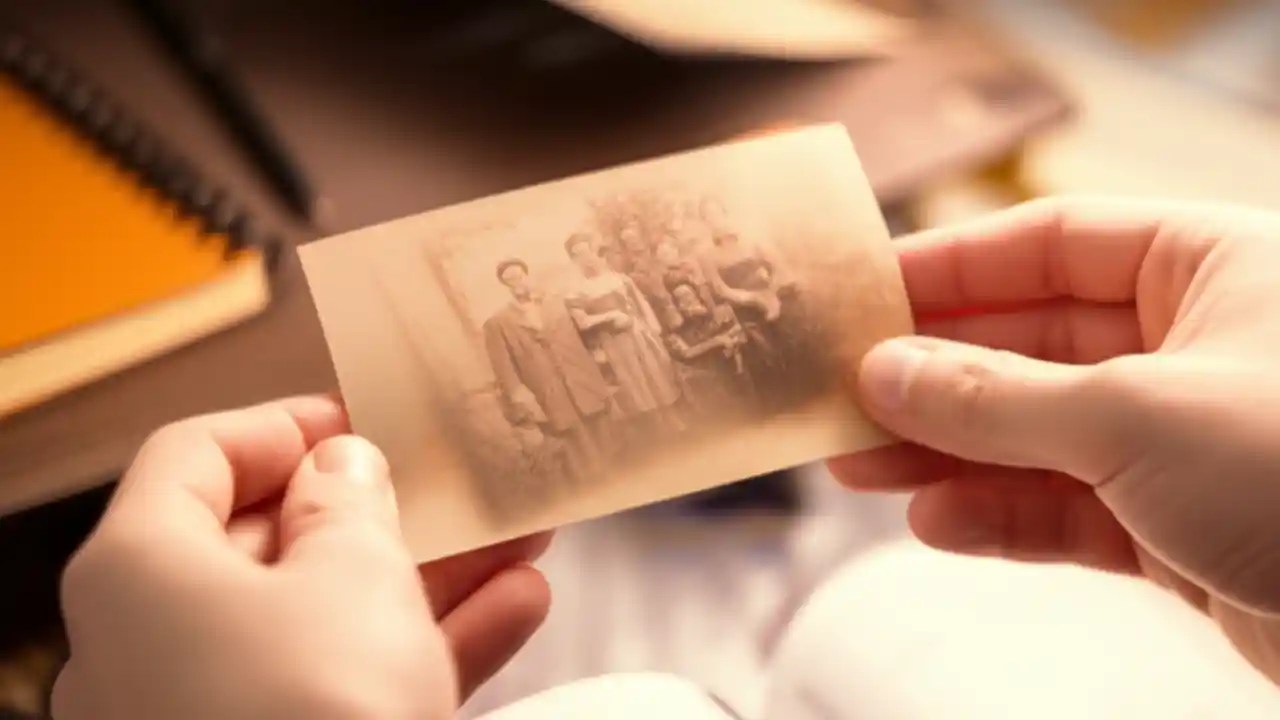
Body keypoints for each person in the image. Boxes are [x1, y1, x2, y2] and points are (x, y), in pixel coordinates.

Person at [52, 198, 1280, 718]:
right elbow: (536, 368)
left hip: (638, 379)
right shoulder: (509, 319)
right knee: (923, 600)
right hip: (590, 401)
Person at [482, 259, 613, 480]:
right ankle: (590, 479)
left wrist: (597, 357)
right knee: (569, 431)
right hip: (545, 384)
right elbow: (502, 366)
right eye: (509, 279)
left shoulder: (557, 301)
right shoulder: (498, 322)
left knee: (597, 417)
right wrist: (520, 395)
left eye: (519, 275)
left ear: (527, 275)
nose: (516, 282)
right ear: (505, 285)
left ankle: (616, 468)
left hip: (578, 372)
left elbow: (583, 333)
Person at [563, 232, 686, 445]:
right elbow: (583, 322)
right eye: (578, 255)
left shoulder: (619, 278)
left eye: (587, 251)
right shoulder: (576, 291)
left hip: (639, 333)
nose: (586, 258)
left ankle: (675, 423)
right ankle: (659, 433)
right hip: (613, 342)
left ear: (594, 251)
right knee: (635, 385)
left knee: (657, 376)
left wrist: (653, 331)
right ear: (574, 261)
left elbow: (641, 304)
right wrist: (610, 316)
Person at [665, 282, 754, 418]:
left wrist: (730, 340)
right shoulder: (678, 328)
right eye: (680, 298)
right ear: (677, 305)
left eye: (688, 294)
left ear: (696, 295)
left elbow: (737, 329)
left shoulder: (721, 310)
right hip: (704, 364)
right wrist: (716, 341)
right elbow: (686, 353)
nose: (686, 300)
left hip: (731, 355)